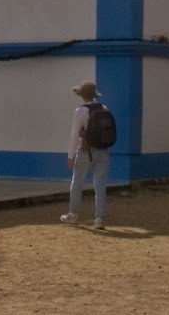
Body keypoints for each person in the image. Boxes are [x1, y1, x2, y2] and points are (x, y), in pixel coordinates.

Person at [59, 80, 111, 230]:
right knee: (100, 185)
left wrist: (70, 156)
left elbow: (75, 135)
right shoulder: (104, 108)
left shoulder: (80, 111)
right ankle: (100, 218)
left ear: (82, 95)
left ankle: (73, 214)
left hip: (85, 150)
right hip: (103, 151)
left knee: (77, 183)